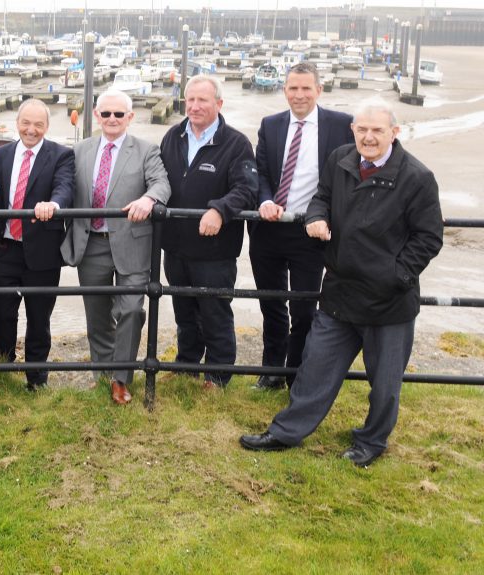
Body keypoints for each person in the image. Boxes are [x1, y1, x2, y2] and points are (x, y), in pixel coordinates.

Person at [240, 98, 444, 468]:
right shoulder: (340, 160)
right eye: (362, 129)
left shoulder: (417, 177)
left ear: (394, 133)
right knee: (315, 368)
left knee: (384, 385)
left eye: (377, 130)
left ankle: (371, 442)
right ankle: (286, 432)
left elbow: (429, 238)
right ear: (353, 130)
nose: (368, 137)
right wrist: (314, 219)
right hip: (339, 293)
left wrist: (395, 276)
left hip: (388, 303)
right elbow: (321, 198)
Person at [60, 89, 171, 405]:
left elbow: (162, 183)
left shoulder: (146, 150)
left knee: (132, 310)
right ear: (96, 115)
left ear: (130, 117)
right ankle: (102, 375)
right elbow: (65, 186)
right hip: (90, 243)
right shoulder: (79, 149)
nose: (111, 119)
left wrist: (149, 199)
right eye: (105, 114)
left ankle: (121, 378)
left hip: (132, 244)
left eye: (118, 114)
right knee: (96, 316)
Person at [250, 62, 355, 390]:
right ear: (284, 90)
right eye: (293, 88)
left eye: (306, 88)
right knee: (271, 303)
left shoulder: (341, 125)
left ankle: (296, 375)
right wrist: (265, 200)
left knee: (305, 309)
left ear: (319, 90)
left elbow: (367, 159)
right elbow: (262, 172)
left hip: (310, 231)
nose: (299, 95)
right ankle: (271, 372)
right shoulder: (270, 125)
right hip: (268, 228)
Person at [159, 75, 257, 389]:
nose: (196, 106)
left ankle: (217, 375)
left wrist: (219, 208)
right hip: (175, 245)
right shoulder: (173, 136)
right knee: (183, 310)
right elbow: (160, 180)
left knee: (214, 313)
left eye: (203, 100)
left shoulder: (236, 143)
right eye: (191, 100)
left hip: (215, 250)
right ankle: (186, 364)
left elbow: (246, 189)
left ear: (219, 103)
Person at [0, 98, 74, 391]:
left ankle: (37, 377)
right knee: (1, 311)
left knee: (39, 316)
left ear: (47, 126)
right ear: (17, 123)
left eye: (38, 124)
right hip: (6, 247)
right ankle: (2, 362)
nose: (31, 129)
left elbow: (65, 186)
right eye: (26, 123)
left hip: (42, 251)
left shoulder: (61, 155)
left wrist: (55, 203)